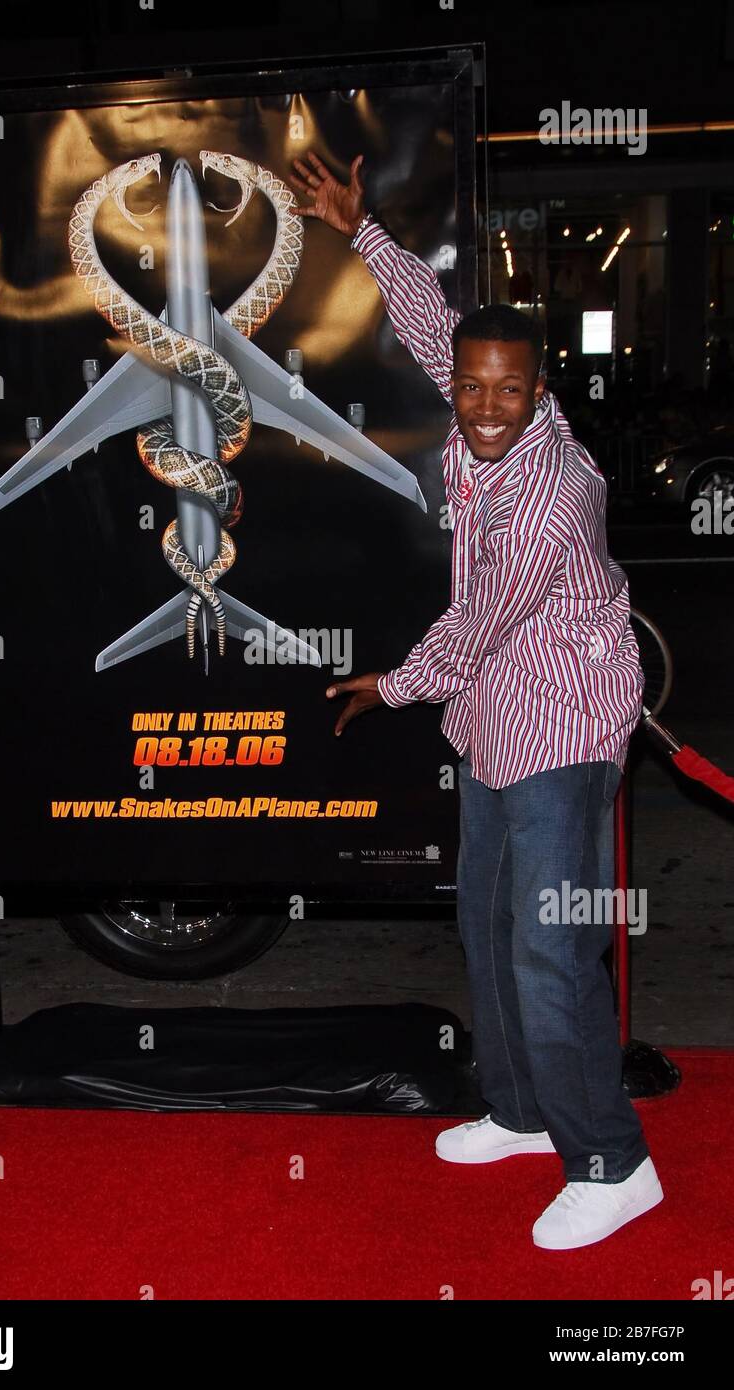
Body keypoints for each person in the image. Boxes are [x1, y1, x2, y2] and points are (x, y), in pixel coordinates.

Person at [290, 151, 663, 1251]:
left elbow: (480, 624)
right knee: (484, 922)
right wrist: (362, 233)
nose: (487, 406)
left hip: (562, 725)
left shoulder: (550, 493)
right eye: (472, 386)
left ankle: (610, 1157)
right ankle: (518, 1113)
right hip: (495, 718)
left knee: (553, 944)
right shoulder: (469, 411)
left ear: (540, 391)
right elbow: (426, 319)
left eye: (510, 389)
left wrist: (385, 684)